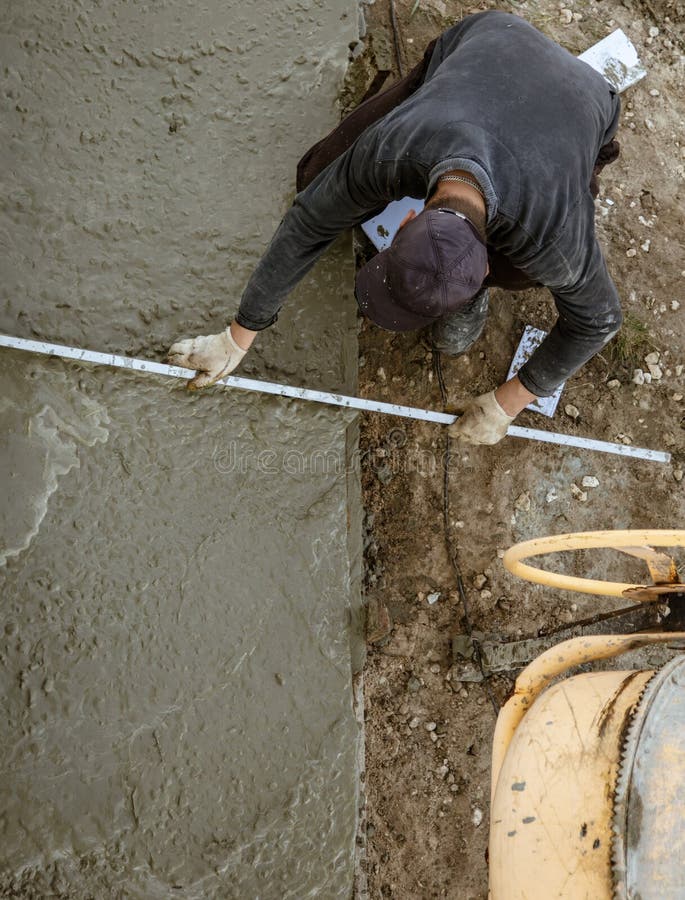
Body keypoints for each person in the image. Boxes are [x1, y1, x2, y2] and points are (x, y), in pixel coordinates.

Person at [167, 11, 623, 445]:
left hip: (586, 99)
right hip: (491, 38)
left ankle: (472, 297)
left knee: (525, 270)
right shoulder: (394, 148)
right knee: (317, 176)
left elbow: (598, 320)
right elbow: (308, 221)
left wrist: (509, 402)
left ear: (406, 217)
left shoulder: (554, 237)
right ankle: (450, 280)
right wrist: (236, 337)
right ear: (404, 216)